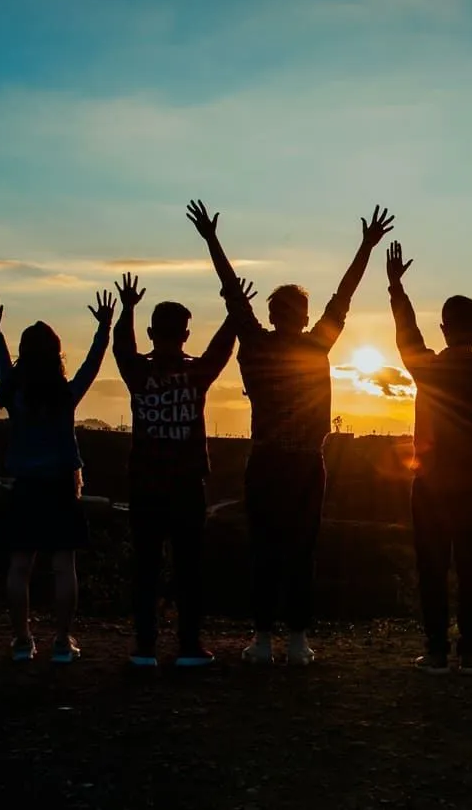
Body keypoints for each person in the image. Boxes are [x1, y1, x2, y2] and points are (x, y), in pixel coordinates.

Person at [187, 199, 395, 666]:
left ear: (272, 312)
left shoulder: (256, 343)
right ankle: (297, 640)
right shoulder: (316, 344)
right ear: (302, 315)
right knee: (302, 549)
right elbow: (344, 295)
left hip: (265, 461)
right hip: (304, 462)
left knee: (264, 549)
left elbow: (232, 294)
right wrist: (365, 245)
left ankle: (262, 639)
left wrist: (212, 240)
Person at [387, 240, 472, 675]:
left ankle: (437, 650)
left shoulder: (426, 368)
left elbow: (406, 334)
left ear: (443, 328)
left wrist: (396, 289)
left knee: (432, 567)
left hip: (429, 483)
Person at [112, 272, 254, 669]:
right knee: (189, 567)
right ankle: (189, 645)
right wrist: (234, 311)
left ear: (152, 331)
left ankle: (144, 646)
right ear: (186, 334)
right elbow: (222, 349)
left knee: (145, 566)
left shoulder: (138, 373)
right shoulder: (197, 373)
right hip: (187, 484)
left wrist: (126, 308)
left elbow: (121, 346)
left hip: (144, 483)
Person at [0, 289, 115, 664]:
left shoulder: (13, 391)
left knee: (20, 565)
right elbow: (92, 364)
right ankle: (62, 641)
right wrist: (104, 329)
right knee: (63, 566)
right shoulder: (64, 394)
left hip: (24, 486)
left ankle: (22, 640)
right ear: (56, 354)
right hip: (61, 486)